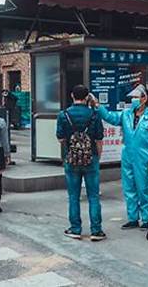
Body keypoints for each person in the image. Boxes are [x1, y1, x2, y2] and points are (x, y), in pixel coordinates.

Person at [93, 84, 148, 230]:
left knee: (144, 189)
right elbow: (110, 117)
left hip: (144, 158)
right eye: (132, 98)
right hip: (128, 156)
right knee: (129, 187)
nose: (133, 100)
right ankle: (132, 218)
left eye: (136, 97)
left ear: (144, 99)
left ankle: (147, 219)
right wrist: (98, 106)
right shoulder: (126, 114)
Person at [56, 84, 106, 241]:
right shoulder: (94, 115)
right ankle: (96, 230)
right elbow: (99, 139)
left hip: (71, 159)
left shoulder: (63, 115)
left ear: (72, 96)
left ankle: (75, 228)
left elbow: (60, 138)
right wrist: (98, 155)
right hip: (91, 159)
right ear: (87, 97)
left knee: (73, 196)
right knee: (93, 196)